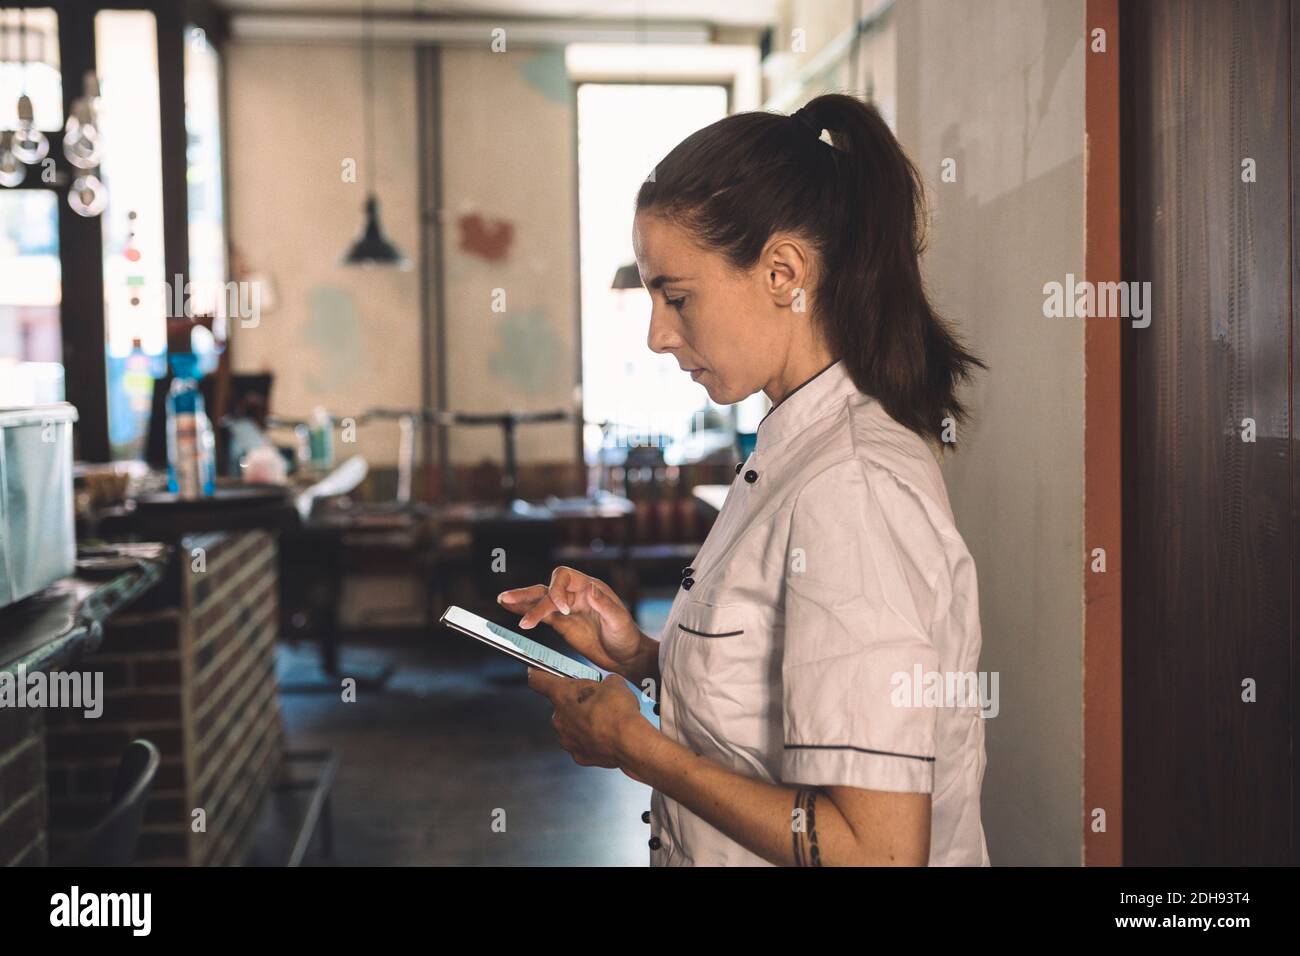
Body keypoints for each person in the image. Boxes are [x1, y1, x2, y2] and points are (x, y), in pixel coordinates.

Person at [499, 93, 989, 866]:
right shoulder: (791, 448)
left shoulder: (850, 489)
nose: (659, 335)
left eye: (677, 296)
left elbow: (876, 852)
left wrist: (639, 747)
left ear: (784, 273)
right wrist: (638, 658)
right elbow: (768, 706)